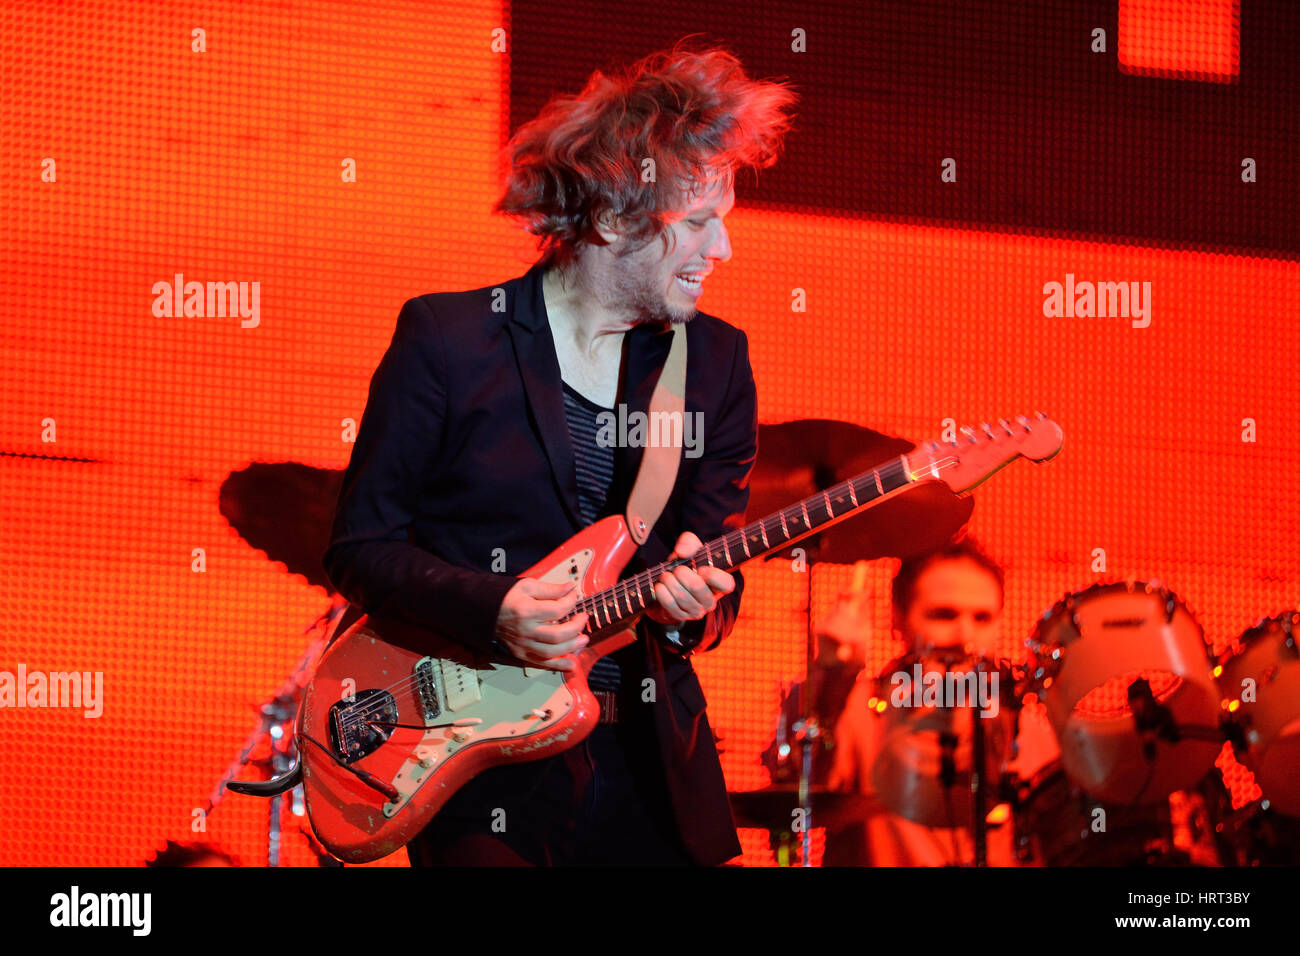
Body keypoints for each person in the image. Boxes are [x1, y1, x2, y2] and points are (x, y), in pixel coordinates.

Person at [322, 43, 796, 866]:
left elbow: (716, 579)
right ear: (612, 219)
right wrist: (494, 606)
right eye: (696, 223)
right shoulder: (450, 339)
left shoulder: (716, 363)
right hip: (478, 760)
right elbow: (359, 549)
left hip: (649, 764)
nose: (723, 250)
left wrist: (694, 609)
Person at [827, 538, 1058, 865]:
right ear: (898, 619)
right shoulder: (857, 710)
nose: (965, 636)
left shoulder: (1026, 728)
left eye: (982, 618)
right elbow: (801, 791)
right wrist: (831, 678)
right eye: (944, 615)